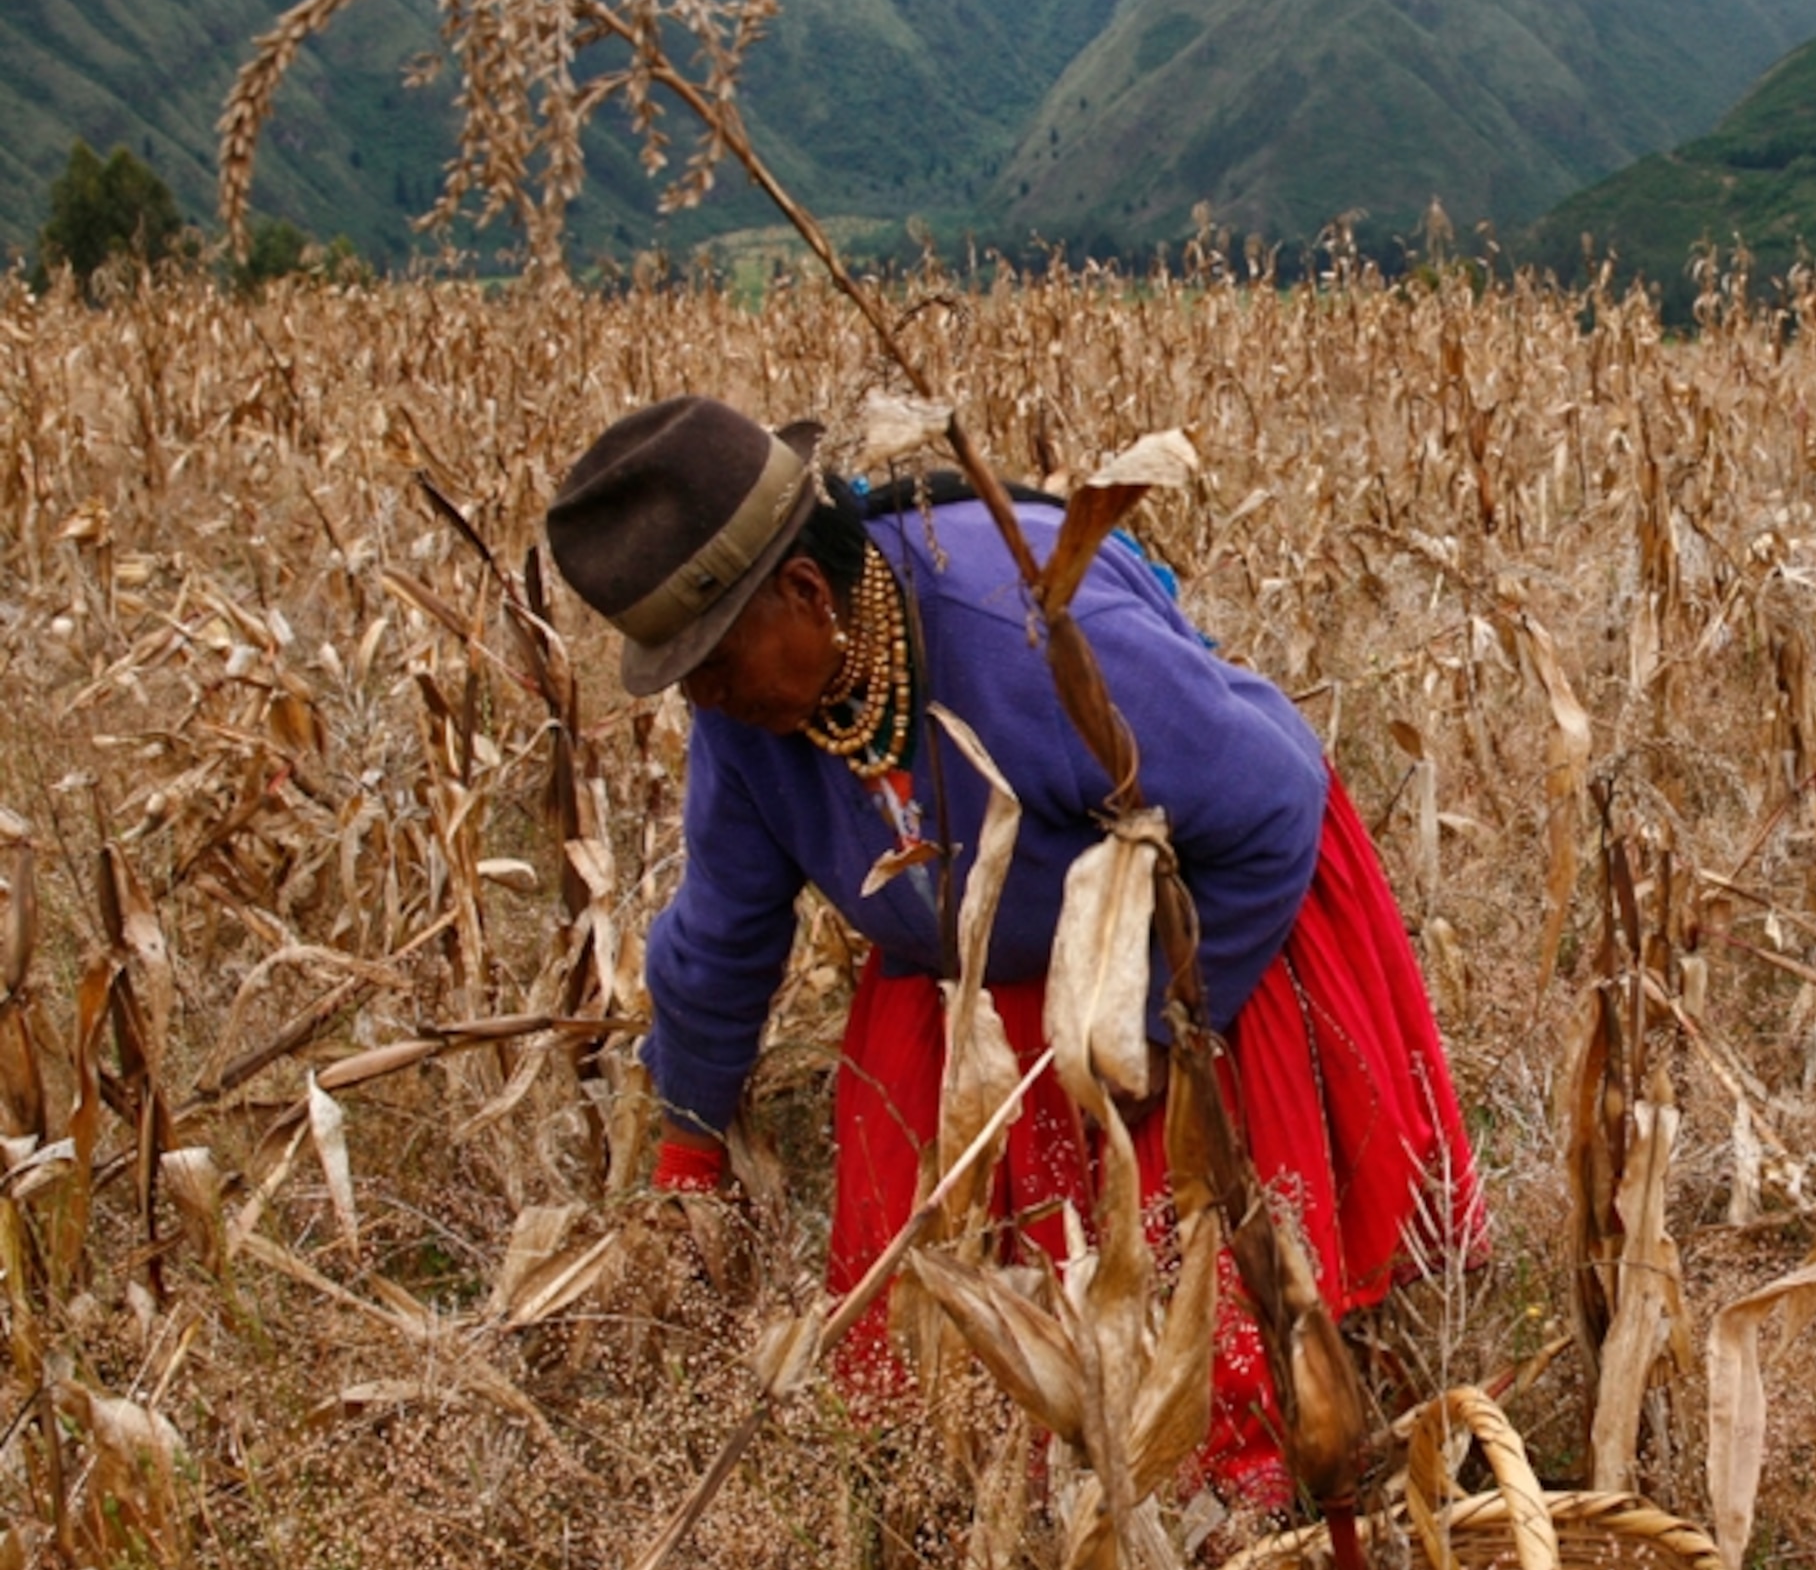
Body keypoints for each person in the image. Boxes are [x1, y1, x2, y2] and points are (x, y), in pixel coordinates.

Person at [546, 395, 1480, 1499]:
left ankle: (1250, 1508)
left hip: (1201, 926)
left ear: (803, 592)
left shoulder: (1019, 626)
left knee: (1214, 1332)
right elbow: (721, 930)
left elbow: (1271, 795)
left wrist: (1152, 1028)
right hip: (970, 978)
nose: (698, 696)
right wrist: (690, 1148)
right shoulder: (751, 724)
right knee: (941, 1376)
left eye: (707, 660)